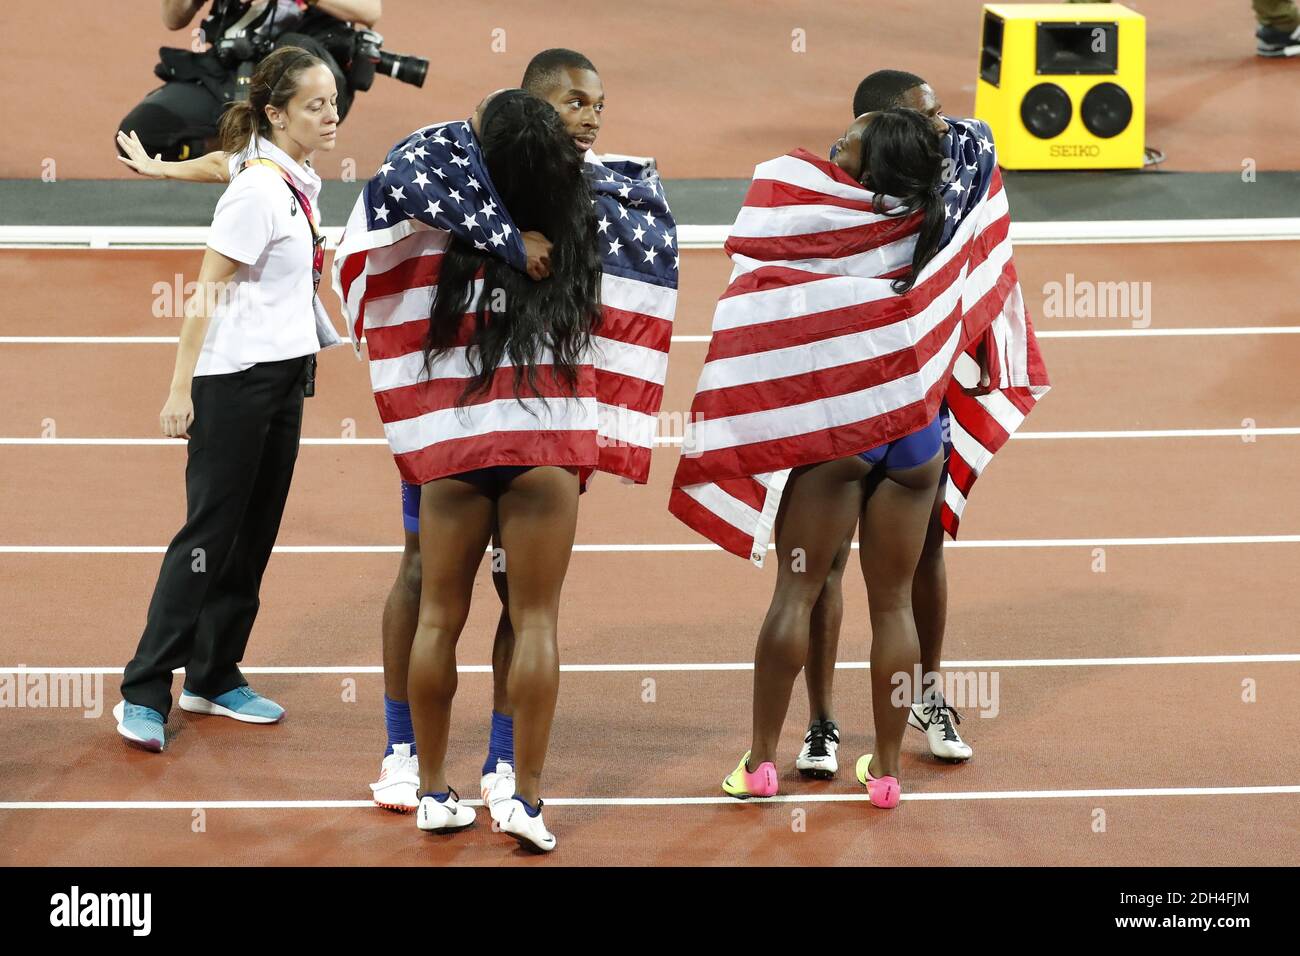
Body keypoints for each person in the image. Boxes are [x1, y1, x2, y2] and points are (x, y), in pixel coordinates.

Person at [114, 47, 343, 751]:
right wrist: (179, 389)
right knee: (207, 540)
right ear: (276, 113)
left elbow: (222, 161)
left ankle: (213, 674)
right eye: (315, 105)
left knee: (253, 536)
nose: (331, 115)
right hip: (234, 381)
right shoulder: (260, 192)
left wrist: (162, 168)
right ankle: (145, 688)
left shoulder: (282, 171)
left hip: (284, 376)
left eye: (333, 101)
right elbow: (205, 292)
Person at [790, 70, 979, 784]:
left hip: (923, 402)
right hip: (843, 413)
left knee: (923, 553)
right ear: (884, 125)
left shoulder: (951, 186)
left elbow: (975, 270)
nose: (943, 125)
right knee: (824, 567)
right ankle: (821, 723)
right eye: (927, 115)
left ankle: (925, 698)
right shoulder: (818, 204)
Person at [117, 0, 381, 164]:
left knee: (291, 53)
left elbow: (370, 9)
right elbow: (173, 19)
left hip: (309, 69)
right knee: (137, 138)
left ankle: (282, 169)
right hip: (232, 68)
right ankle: (229, 161)